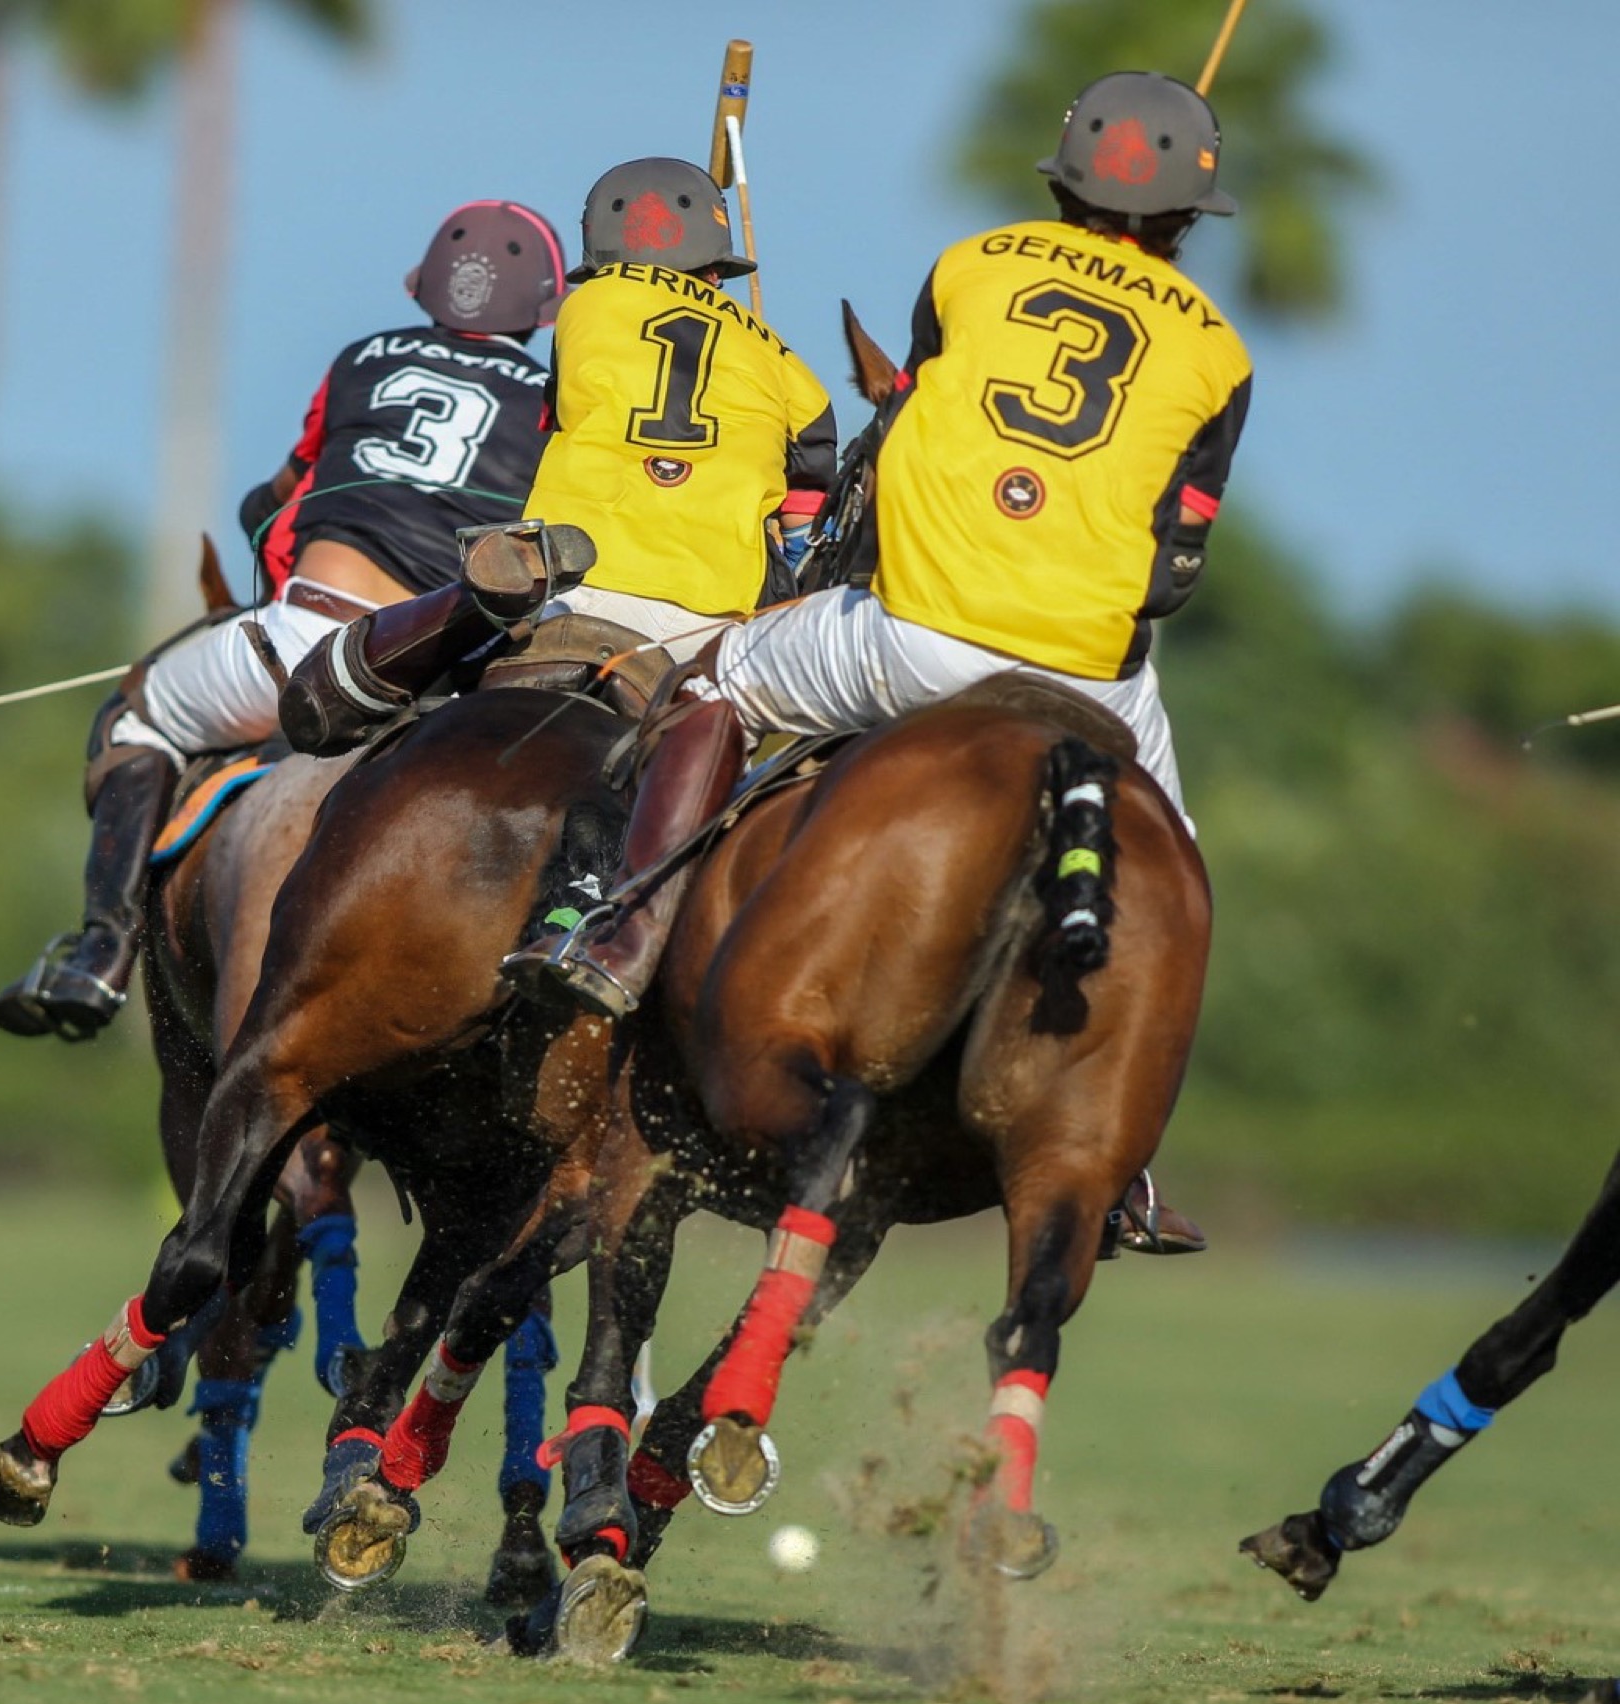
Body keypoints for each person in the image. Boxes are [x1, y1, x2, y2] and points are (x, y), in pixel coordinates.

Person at [514, 72, 1251, 1030]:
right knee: (1175, 861)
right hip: (1091, 678)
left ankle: (623, 931)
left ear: (1063, 185)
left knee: (706, 685)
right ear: (1188, 217)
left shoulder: (971, 267)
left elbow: (899, 446)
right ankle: (1129, 1164)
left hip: (912, 639)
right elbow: (1170, 578)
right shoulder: (1220, 353)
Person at [0, 199, 570, 1041]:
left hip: (303, 651)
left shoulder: (360, 360)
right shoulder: (556, 402)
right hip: (440, 679)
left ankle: (100, 952)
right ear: (544, 309)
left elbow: (279, 512)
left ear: (428, 287)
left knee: (140, 718)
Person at [277, 156, 836, 760]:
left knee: (440, 689)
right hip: (708, 616)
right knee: (739, 792)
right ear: (717, 265)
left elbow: (557, 420)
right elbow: (809, 491)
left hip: (572, 583)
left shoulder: (586, 307)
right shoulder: (785, 361)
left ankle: (342, 689)